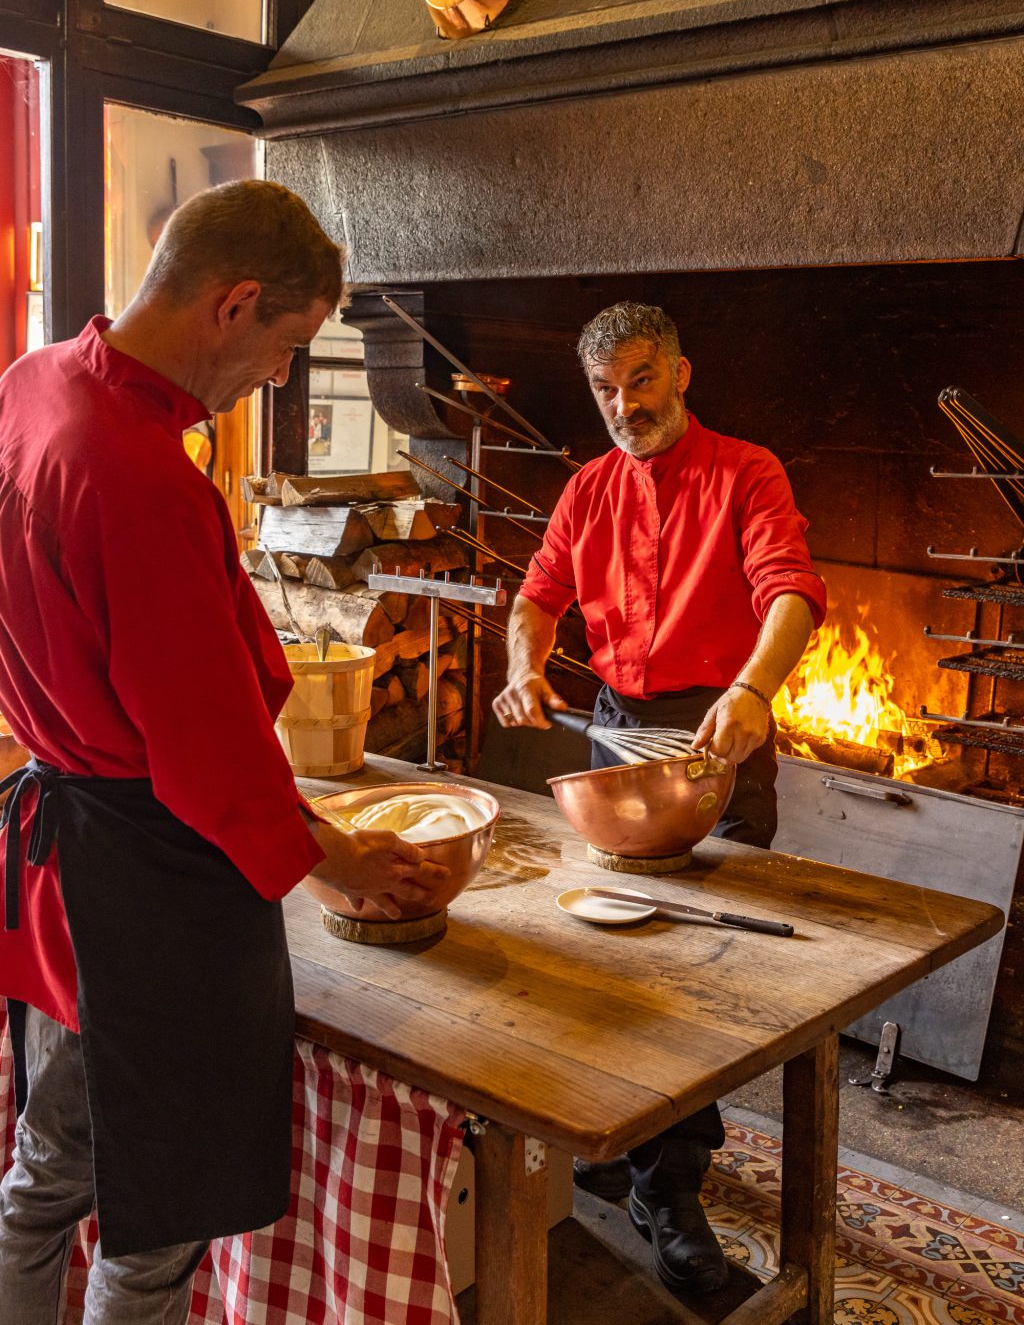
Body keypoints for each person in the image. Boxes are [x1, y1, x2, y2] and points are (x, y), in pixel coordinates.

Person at [0, 180, 449, 1325]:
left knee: (46, 1173)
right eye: (288, 346)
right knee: (158, 1221)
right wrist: (341, 860)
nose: (280, 376)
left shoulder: (33, 382)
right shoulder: (136, 473)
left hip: (65, 867)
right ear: (235, 302)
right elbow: (204, 760)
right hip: (154, 894)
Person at [493, 302, 826, 1298]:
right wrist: (521, 666)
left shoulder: (746, 471)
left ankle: (668, 1193)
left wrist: (751, 693)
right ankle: (628, 1151)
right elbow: (535, 595)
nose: (622, 406)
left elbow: (792, 592)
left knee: (700, 980)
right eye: (605, 389)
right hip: (617, 726)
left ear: (681, 375)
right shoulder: (587, 488)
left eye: (640, 381)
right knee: (617, 958)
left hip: (717, 728)